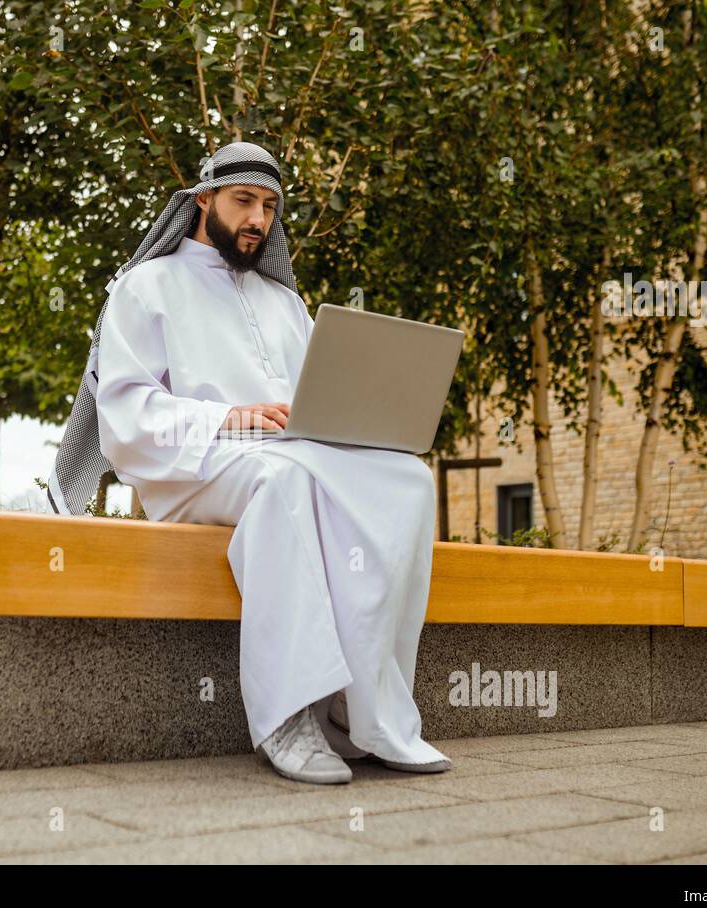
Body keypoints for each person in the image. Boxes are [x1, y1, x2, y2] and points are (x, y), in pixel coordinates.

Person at [49, 140, 452, 784]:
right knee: (284, 478)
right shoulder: (145, 286)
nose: (257, 219)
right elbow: (124, 417)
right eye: (243, 201)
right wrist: (226, 418)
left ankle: (366, 710)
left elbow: (316, 403)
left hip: (290, 459)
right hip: (192, 469)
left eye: (268, 205)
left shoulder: (284, 302)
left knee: (407, 479)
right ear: (202, 199)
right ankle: (286, 715)